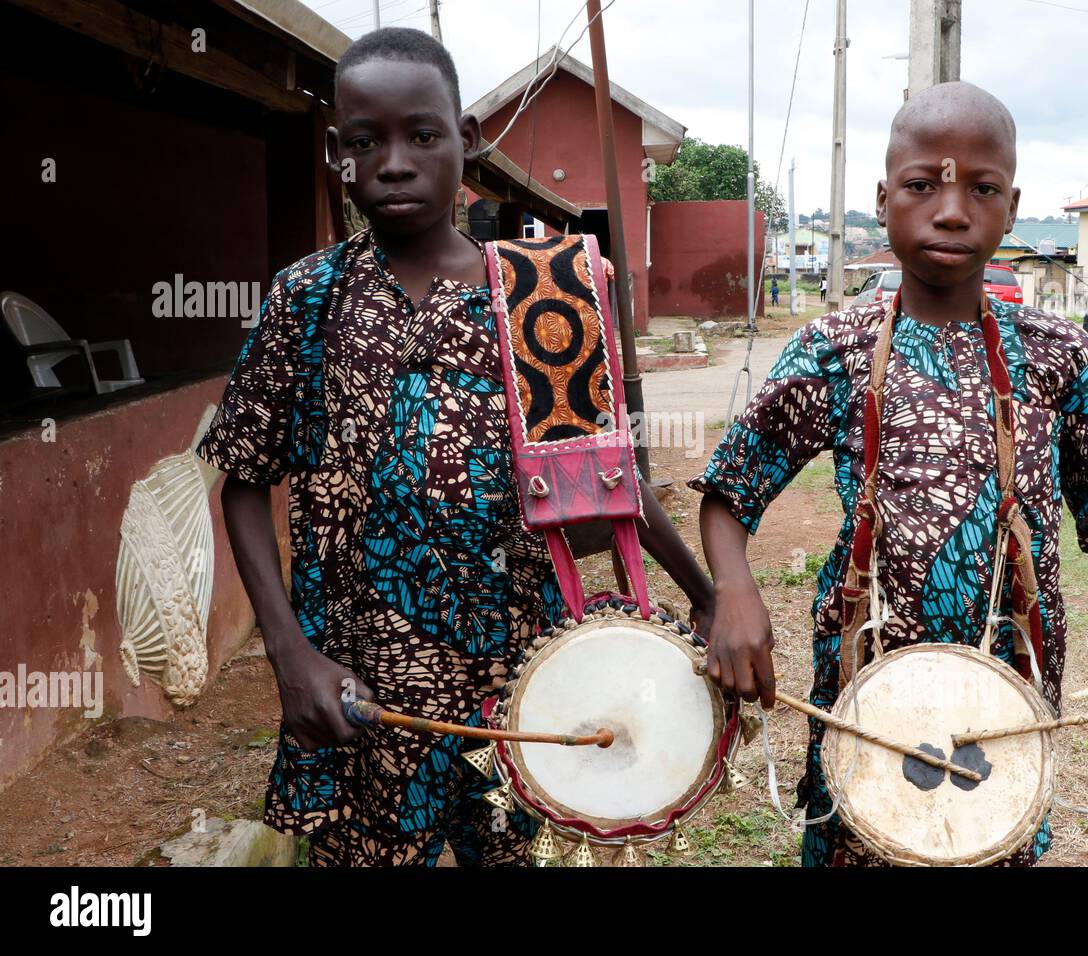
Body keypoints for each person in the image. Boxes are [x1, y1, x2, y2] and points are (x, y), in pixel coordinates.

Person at [197, 27, 713, 867]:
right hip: (357, 691)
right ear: (337, 153)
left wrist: (705, 590)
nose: (394, 161)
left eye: (423, 135)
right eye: (366, 142)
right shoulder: (308, 299)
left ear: (467, 140)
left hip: (517, 685)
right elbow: (244, 484)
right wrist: (291, 658)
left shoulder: (544, 295)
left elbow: (606, 476)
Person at [690, 81, 1088, 867]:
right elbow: (732, 492)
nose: (953, 209)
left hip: (1007, 703)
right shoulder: (835, 347)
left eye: (982, 188)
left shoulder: (1059, 354)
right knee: (858, 838)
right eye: (924, 184)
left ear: (1011, 202)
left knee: (992, 842)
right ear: (885, 195)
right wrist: (733, 590)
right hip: (865, 693)